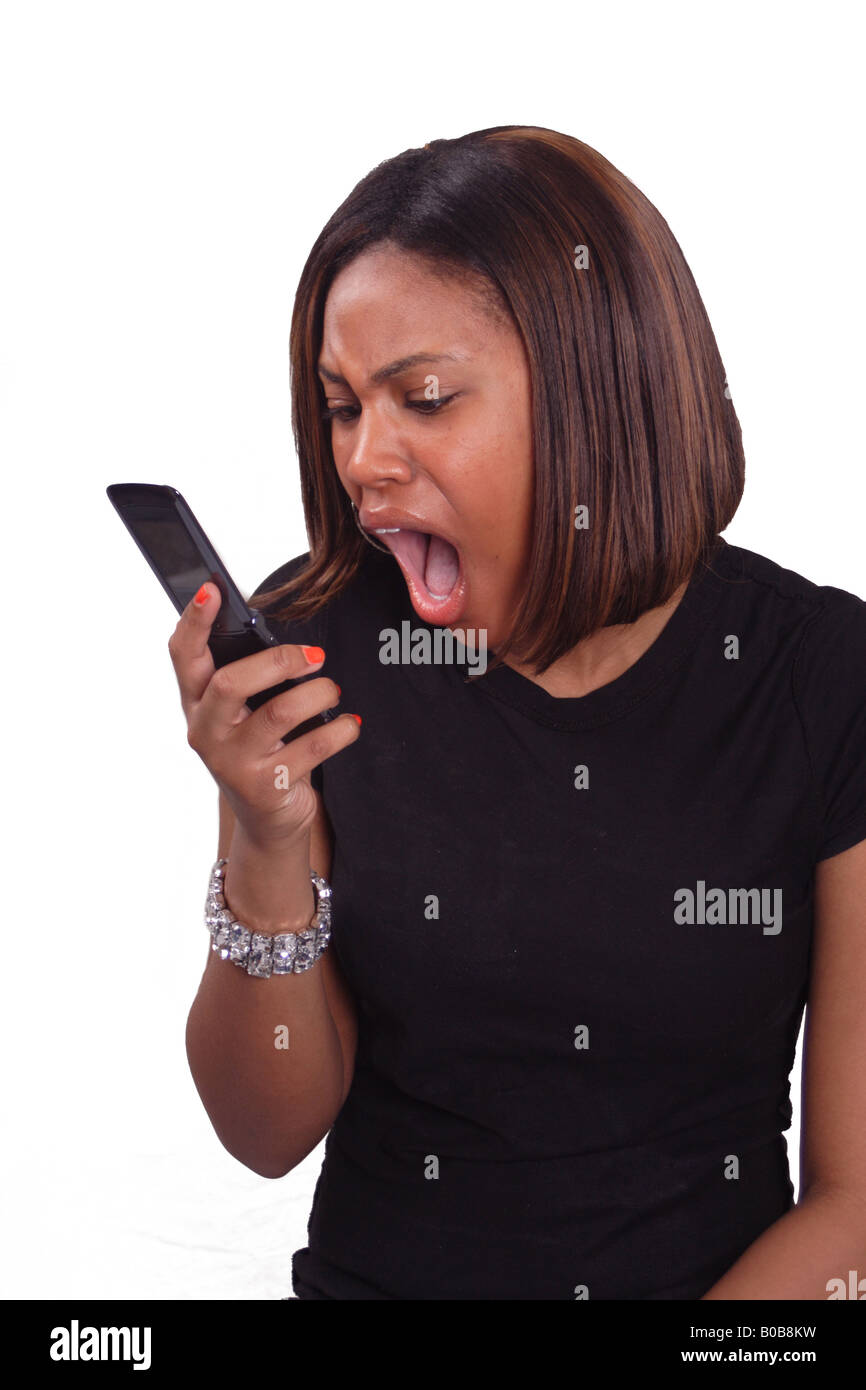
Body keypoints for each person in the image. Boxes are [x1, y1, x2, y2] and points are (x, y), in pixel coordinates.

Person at [175, 126, 866, 1300]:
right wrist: (263, 834)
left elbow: (854, 1207)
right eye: (342, 406)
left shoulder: (815, 673)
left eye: (425, 398)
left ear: (604, 388)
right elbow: (267, 1130)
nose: (361, 460)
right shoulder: (323, 642)